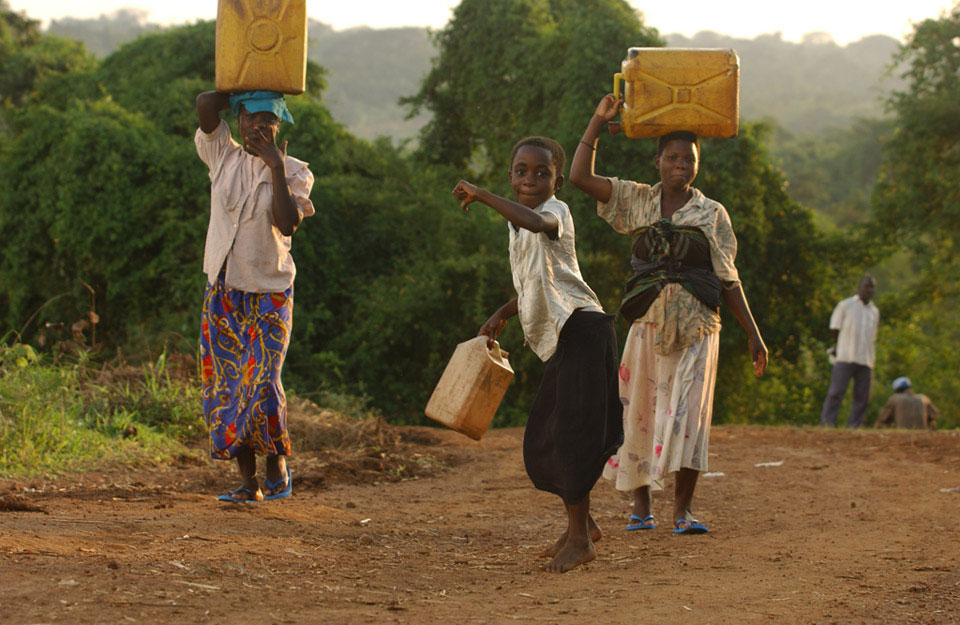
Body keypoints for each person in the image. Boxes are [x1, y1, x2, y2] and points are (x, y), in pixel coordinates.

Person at [569, 94, 768, 535]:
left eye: (689, 159)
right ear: (657, 160)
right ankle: (641, 507)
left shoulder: (711, 213)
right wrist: (597, 121)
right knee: (640, 411)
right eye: (673, 157)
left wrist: (754, 334)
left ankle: (683, 511)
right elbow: (578, 177)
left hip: (698, 328)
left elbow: (728, 277)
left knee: (689, 417)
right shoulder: (637, 200)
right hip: (647, 325)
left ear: (697, 164)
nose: (681, 165)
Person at [451, 136, 622, 573]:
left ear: (557, 181)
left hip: (584, 329)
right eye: (521, 171)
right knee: (552, 432)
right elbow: (538, 281)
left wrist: (484, 195)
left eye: (541, 173)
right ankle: (583, 526)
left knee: (571, 434)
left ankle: (581, 538)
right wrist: (502, 313)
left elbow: (535, 223)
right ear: (511, 175)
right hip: (566, 337)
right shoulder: (516, 225)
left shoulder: (554, 213)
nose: (530, 179)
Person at [195, 90, 315, 502]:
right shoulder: (221, 156)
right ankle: (248, 484)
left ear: (279, 126)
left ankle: (276, 462)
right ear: (239, 119)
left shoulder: (295, 171)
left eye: (269, 120)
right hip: (224, 291)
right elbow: (204, 104)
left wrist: (276, 167)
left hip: (270, 292)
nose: (259, 127)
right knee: (227, 386)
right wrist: (242, 79)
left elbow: (288, 224)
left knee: (262, 382)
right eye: (251, 118)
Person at [819, 276, 879, 428]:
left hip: (865, 359)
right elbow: (834, 327)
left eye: (872, 287)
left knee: (863, 397)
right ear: (859, 288)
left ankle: (854, 426)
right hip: (845, 356)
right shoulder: (845, 305)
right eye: (866, 286)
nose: (869, 290)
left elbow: (873, 336)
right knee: (836, 392)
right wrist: (838, 346)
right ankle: (827, 422)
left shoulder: (874, 311)